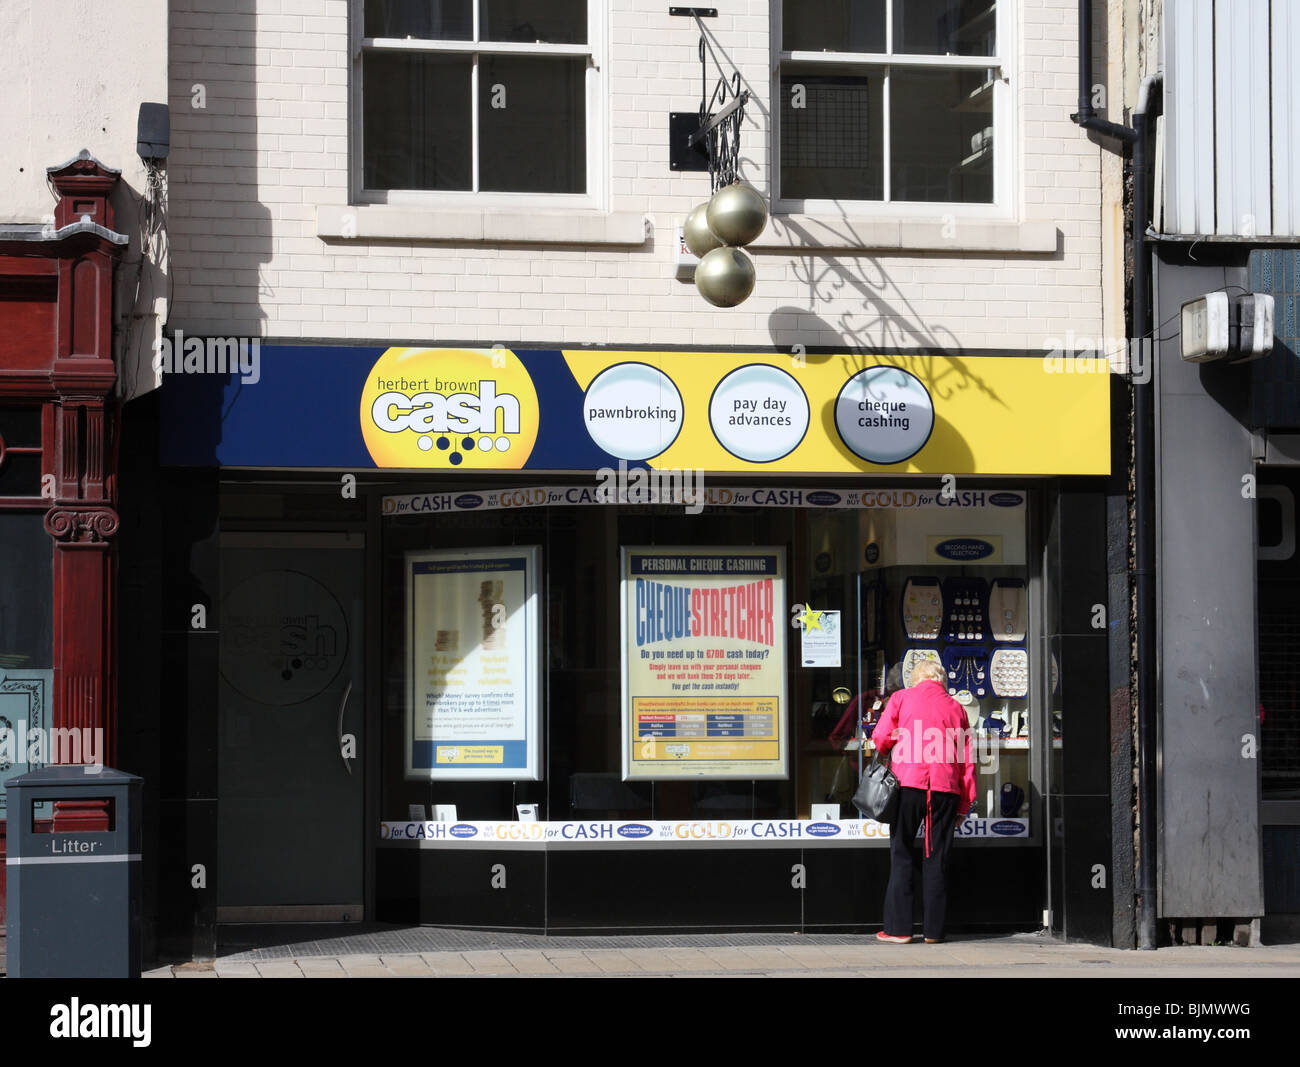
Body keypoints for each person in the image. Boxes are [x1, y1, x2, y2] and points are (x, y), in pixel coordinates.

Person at [870, 658, 976, 944]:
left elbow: (880, 738)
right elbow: (967, 761)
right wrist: (965, 805)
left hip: (908, 785)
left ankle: (898, 929)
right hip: (945, 789)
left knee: (902, 851)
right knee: (936, 857)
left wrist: (894, 740)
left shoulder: (902, 698)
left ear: (915, 679)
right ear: (941, 681)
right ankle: (934, 931)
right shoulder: (957, 709)